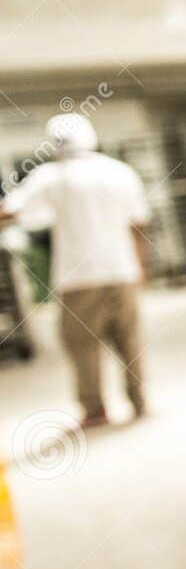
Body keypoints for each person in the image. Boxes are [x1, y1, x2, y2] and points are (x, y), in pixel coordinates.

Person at [0, 114, 151, 427]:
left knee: (82, 344)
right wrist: (140, 267)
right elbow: (139, 225)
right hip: (121, 270)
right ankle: (140, 402)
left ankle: (95, 410)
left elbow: (11, 211)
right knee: (130, 340)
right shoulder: (119, 172)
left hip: (78, 277)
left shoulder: (50, 177)